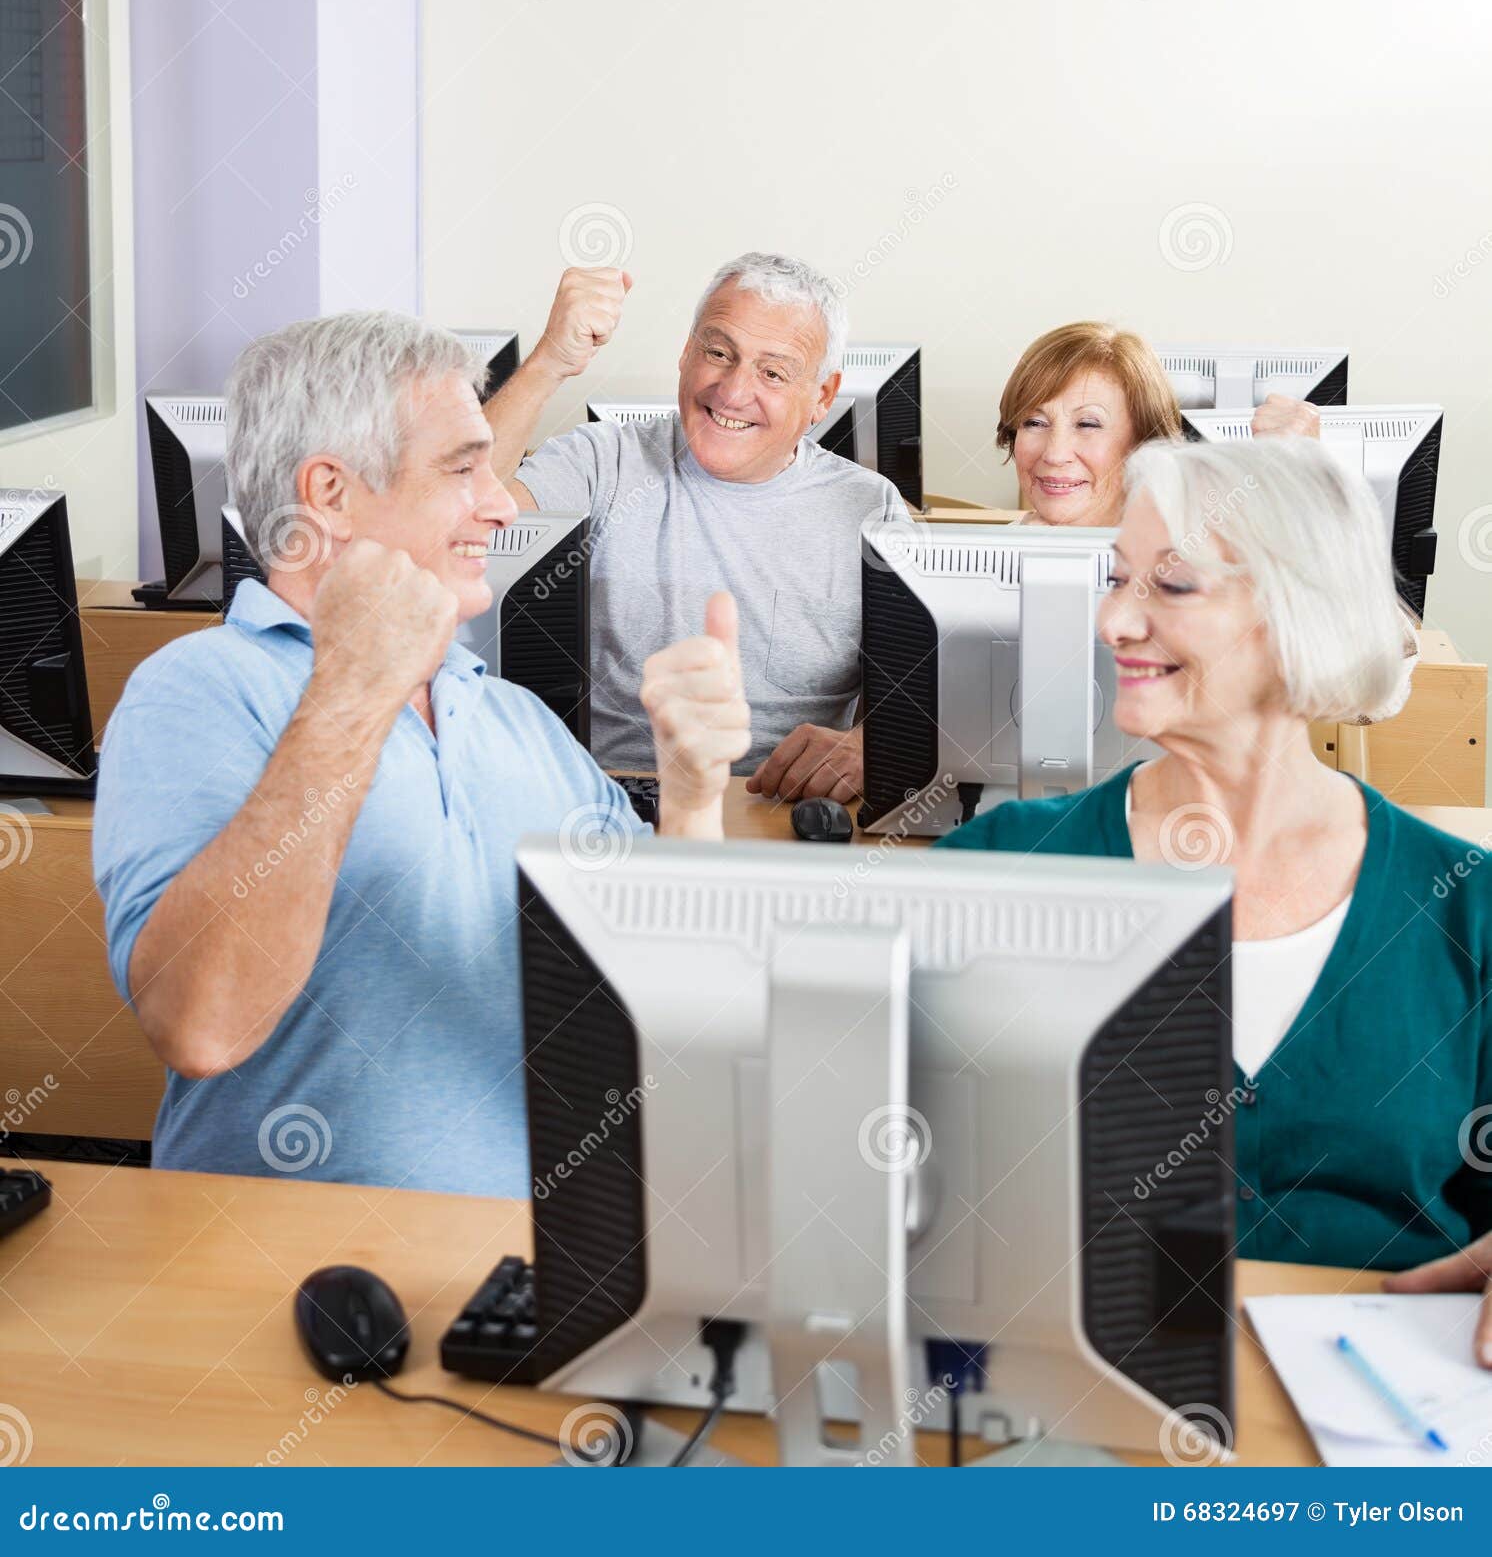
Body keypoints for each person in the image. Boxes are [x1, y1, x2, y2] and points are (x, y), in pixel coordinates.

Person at [93, 312, 749, 1199]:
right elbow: (199, 1027)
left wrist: (693, 799)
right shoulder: (200, 689)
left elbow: (677, 1010)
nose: (503, 501)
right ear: (327, 492)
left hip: (531, 1270)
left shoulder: (513, 717)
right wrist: (356, 690)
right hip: (289, 1285)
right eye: (461, 466)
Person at [935, 437, 1492, 1283]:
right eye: (1117, 578)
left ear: (1297, 614)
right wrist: (688, 794)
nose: (1112, 621)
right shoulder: (1000, 867)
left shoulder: (1466, 906)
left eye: (1172, 583)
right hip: (1076, 1397)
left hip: (1392, 1391)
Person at [481, 252, 909, 805]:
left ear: (822, 398)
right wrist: (548, 363)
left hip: (779, 812)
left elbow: (921, 688)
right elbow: (454, 515)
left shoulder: (869, 508)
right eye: (717, 353)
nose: (732, 391)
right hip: (609, 801)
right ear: (685, 355)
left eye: (772, 372)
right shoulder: (601, 462)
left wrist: (867, 743)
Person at [997, 320, 1320, 527]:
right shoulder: (986, 565)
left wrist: (1300, 472)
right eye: (1035, 423)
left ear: (1142, 444)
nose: (1055, 454)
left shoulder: (1197, 563)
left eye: (1088, 424)